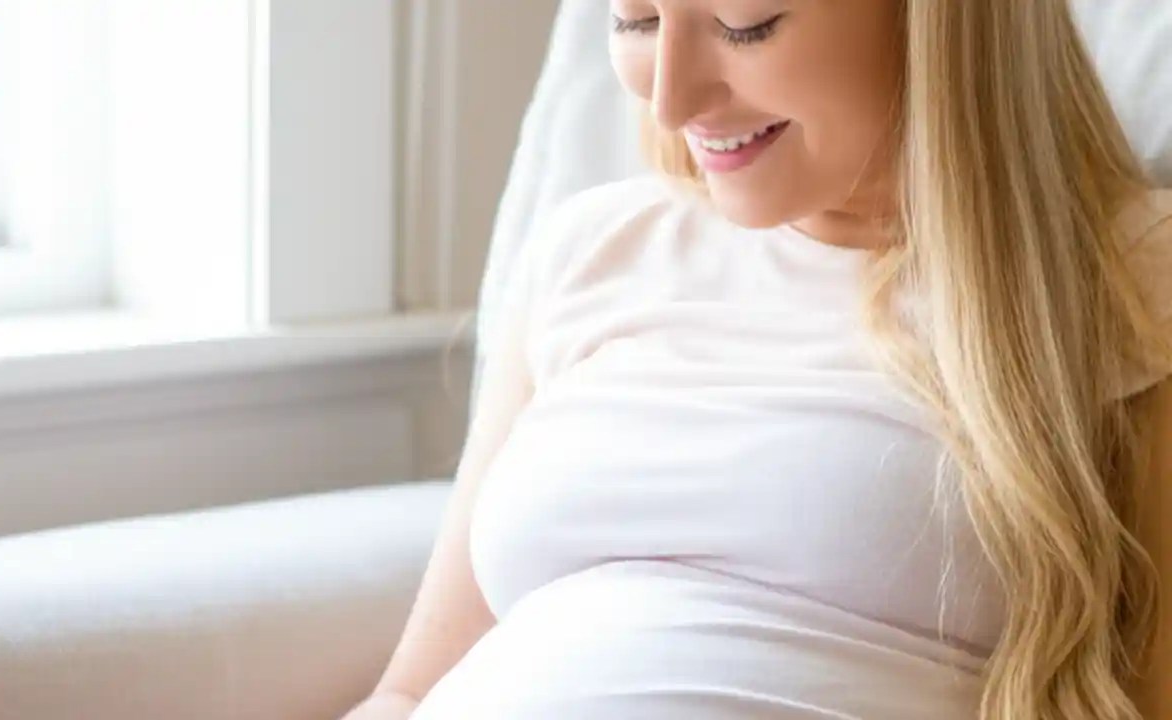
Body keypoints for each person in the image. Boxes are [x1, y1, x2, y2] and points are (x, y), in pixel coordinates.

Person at [343, 1, 1172, 718]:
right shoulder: (594, 251)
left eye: (746, 25)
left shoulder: (1127, 283)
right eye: (635, 19)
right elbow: (412, 693)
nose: (670, 100)